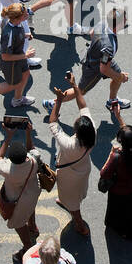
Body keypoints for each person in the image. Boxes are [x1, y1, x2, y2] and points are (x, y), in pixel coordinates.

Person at [43, 75, 95, 235]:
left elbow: (53, 123)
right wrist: (75, 85)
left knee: (72, 203)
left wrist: (58, 100)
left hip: (68, 176)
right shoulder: (92, 131)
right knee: (78, 194)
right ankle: (70, 205)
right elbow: (83, 105)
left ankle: (80, 225)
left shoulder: (69, 144)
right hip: (83, 169)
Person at [0, 122, 41, 258]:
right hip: (33, 192)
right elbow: (31, 148)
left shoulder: (7, 169)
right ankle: (32, 226)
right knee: (30, 208)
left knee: (18, 223)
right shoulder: (33, 160)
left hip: (18, 199)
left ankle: (27, 248)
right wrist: (28, 133)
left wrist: (8, 137)